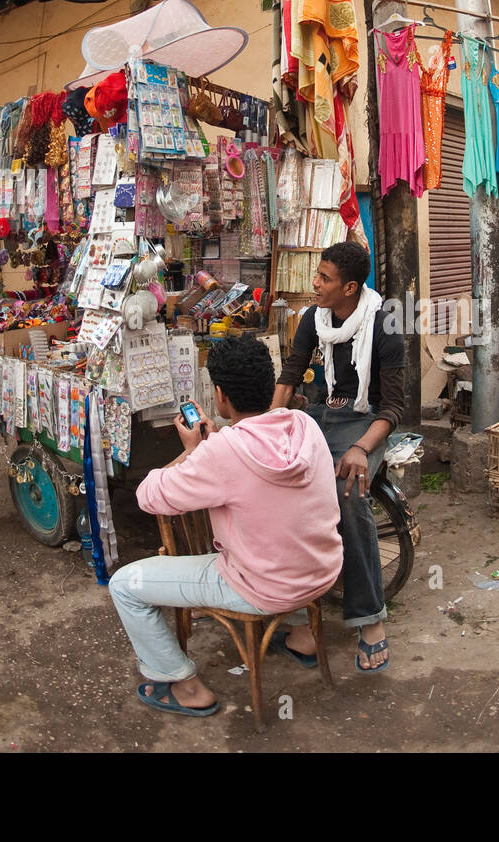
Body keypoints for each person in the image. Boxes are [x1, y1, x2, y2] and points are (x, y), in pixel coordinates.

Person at [112, 338, 344, 716]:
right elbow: (251, 452)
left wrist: (192, 452)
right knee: (285, 533)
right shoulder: (304, 424)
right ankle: (303, 636)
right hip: (323, 570)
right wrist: (208, 449)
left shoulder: (220, 453)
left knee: (125, 585)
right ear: (269, 385)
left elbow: (148, 496)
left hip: (263, 586)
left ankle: (184, 686)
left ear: (220, 396)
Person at [273, 241, 404, 672]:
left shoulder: (385, 322)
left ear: (350, 287)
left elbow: (394, 408)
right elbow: (292, 372)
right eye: (317, 274)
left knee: (346, 492)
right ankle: (297, 614)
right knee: (276, 480)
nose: (315, 284)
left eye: (324, 278)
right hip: (321, 412)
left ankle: (370, 620)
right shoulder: (314, 318)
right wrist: (270, 423)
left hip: (367, 422)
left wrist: (362, 449)